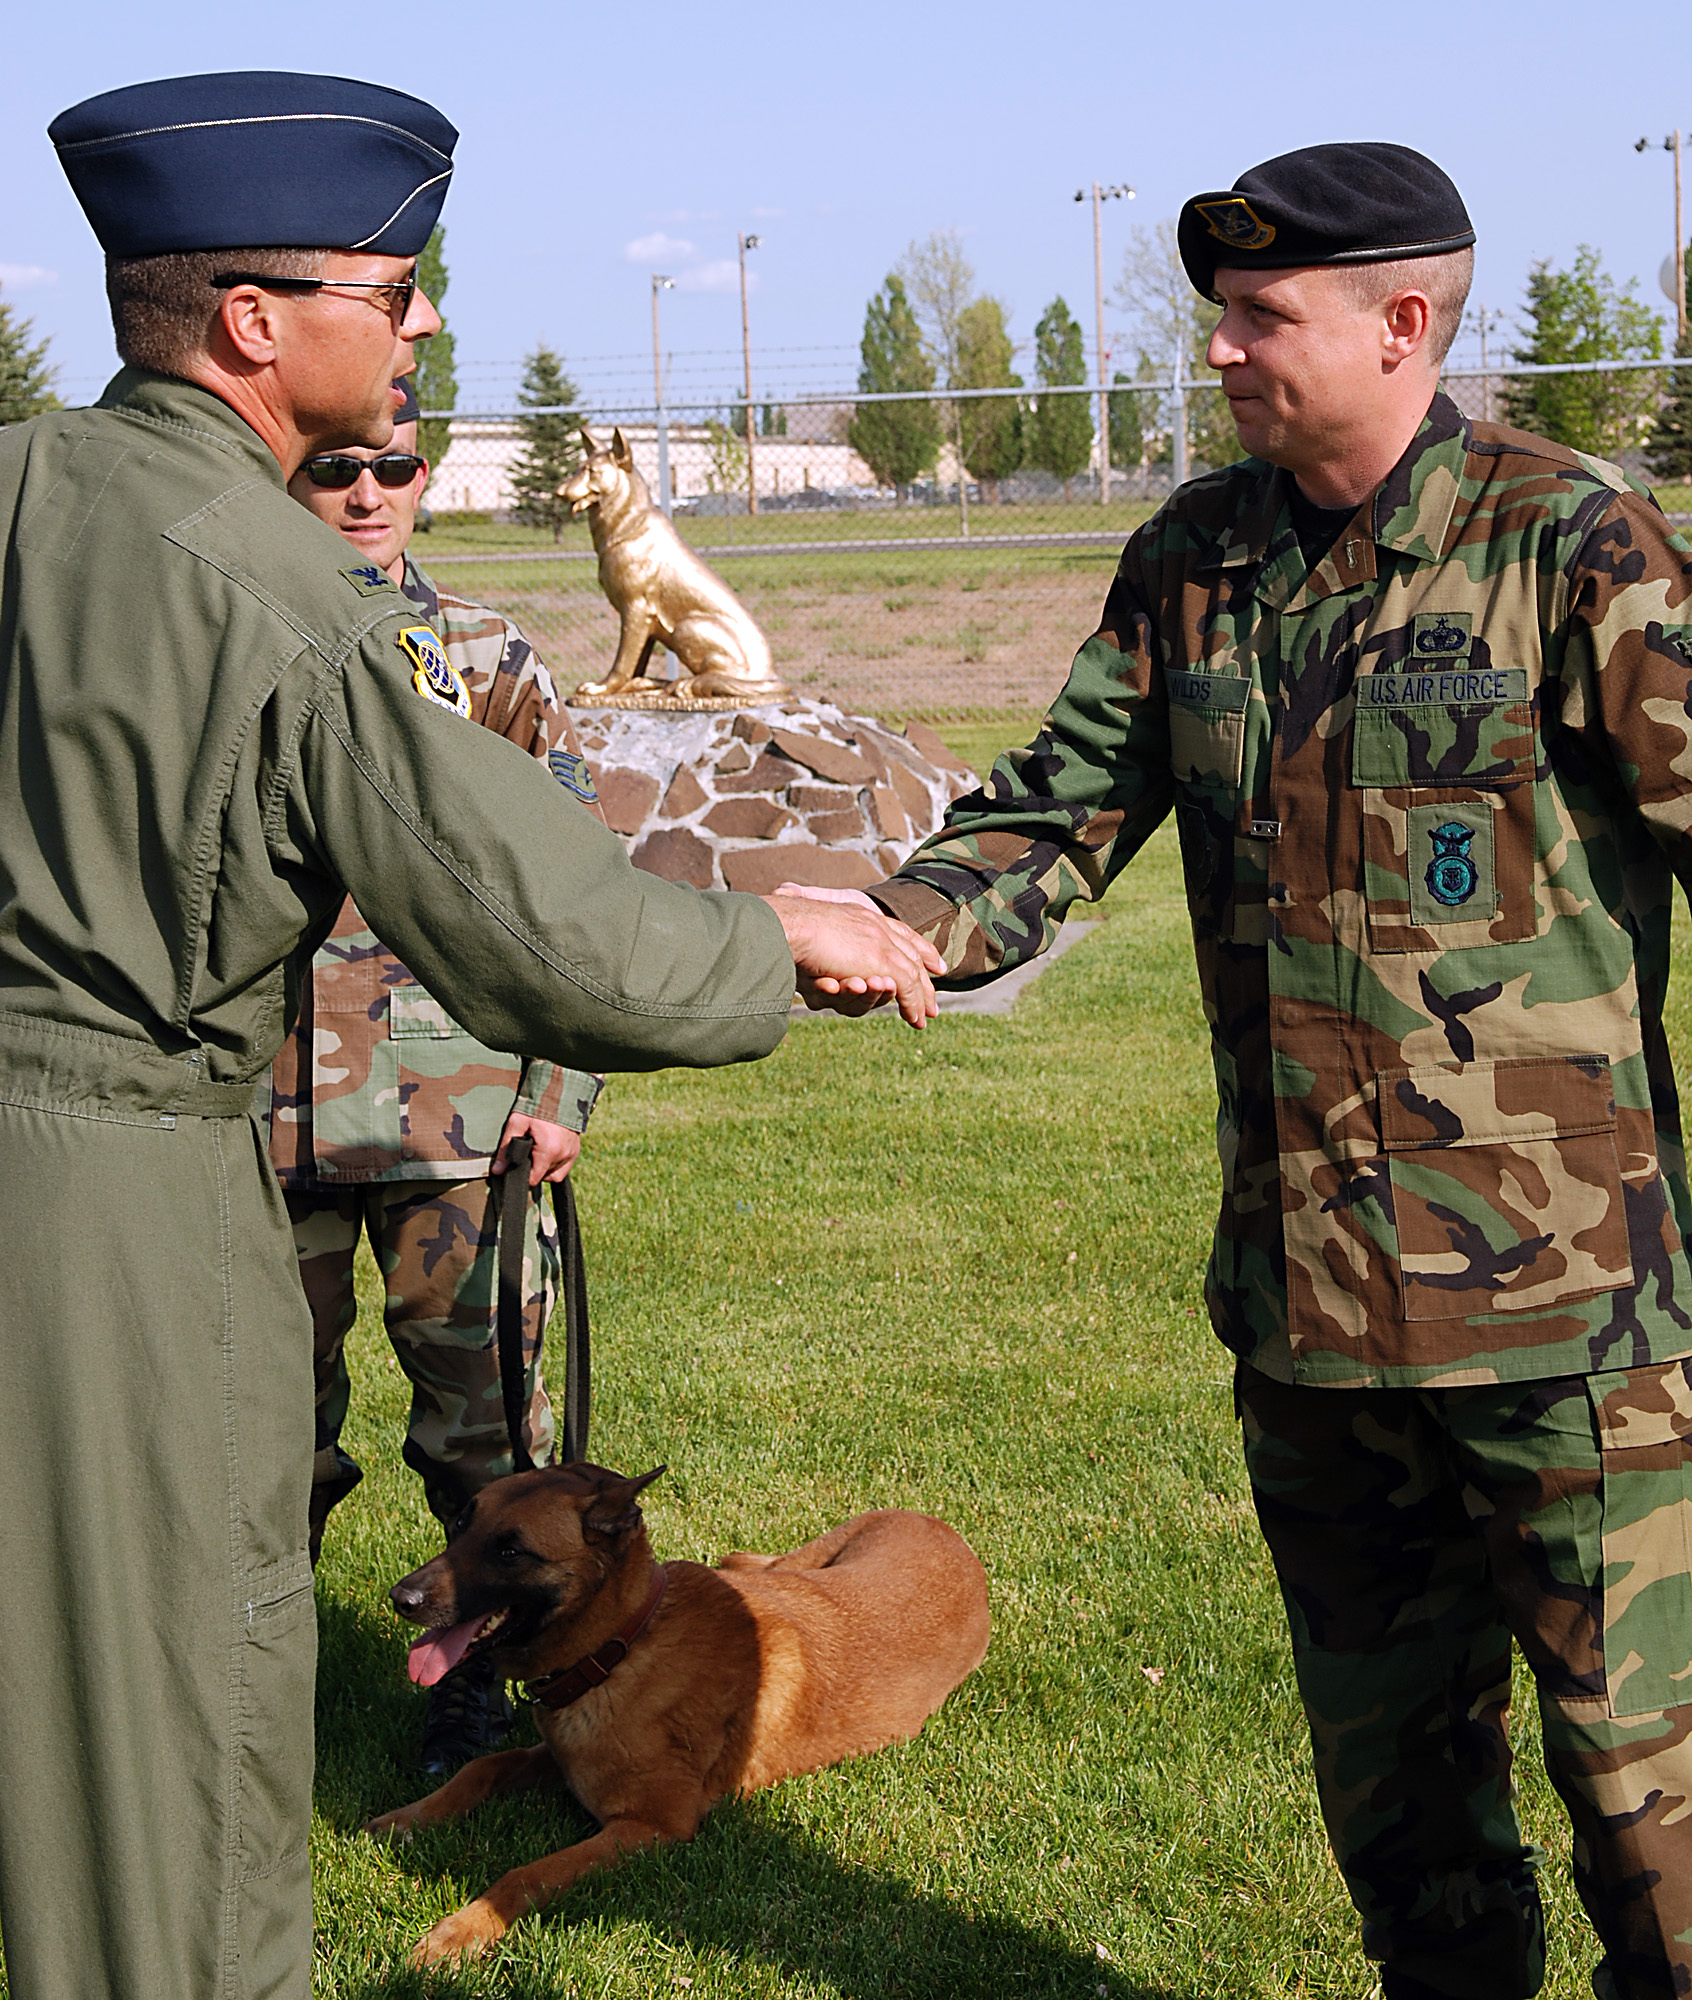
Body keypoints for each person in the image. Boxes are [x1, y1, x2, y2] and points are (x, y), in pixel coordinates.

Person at [0, 69, 939, 2000]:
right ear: (261, 325)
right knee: (161, 1680)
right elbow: (550, 932)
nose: (419, 323)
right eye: (394, 284)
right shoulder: (284, 594)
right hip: (117, 1200)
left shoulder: (23, 493)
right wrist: (785, 936)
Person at [803, 143, 1692, 1999]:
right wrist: (892, 926)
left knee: (1657, 1815)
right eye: (1221, 309)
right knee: (1405, 1818)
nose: (1218, 348)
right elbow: (1054, 812)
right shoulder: (1192, 559)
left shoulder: (1568, 539)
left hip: (1569, 1334)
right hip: (1312, 1323)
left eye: (1257, 315)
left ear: (1400, 321)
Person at [271, 375, 600, 1771]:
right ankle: (247, 1693)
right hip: (257, 1124)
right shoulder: (233, 646)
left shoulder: (492, 662)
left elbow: (581, 895)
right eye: (337, 466)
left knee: (488, 1456)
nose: (364, 492)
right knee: (258, 1439)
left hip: (461, 1127)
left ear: (424, 479)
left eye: (393, 469)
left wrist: (562, 1092)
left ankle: (479, 1687)